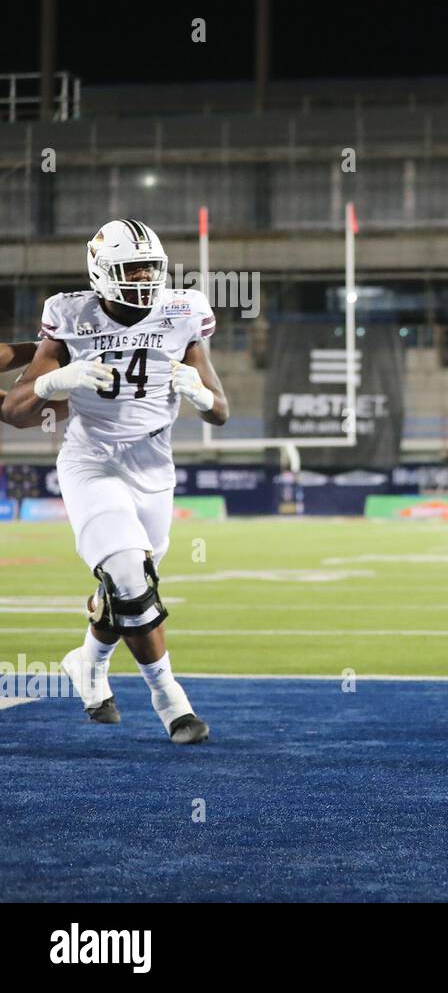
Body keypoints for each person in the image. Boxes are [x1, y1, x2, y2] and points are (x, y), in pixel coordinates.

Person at [1, 219, 229, 743]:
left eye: (151, 266)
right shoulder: (69, 313)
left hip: (153, 464)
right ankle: (171, 701)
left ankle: (88, 664)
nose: (146, 277)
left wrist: (199, 392)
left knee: (129, 590)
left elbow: (221, 412)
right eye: (133, 268)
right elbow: (14, 412)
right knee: (128, 573)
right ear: (102, 271)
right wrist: (54, 379)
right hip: (91, 459)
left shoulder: (184, 310)